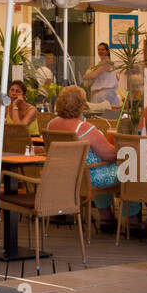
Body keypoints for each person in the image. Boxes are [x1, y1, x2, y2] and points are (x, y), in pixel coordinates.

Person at [48, 85, 118, 227]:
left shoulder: (51, 125)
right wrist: (126, 150)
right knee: (131, 170)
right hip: (88, 178)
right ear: (81, 106)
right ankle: (134, 221)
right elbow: (110, 154)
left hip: (67, 177)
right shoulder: (85, 128)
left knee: (98, 166)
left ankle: (106, 216)